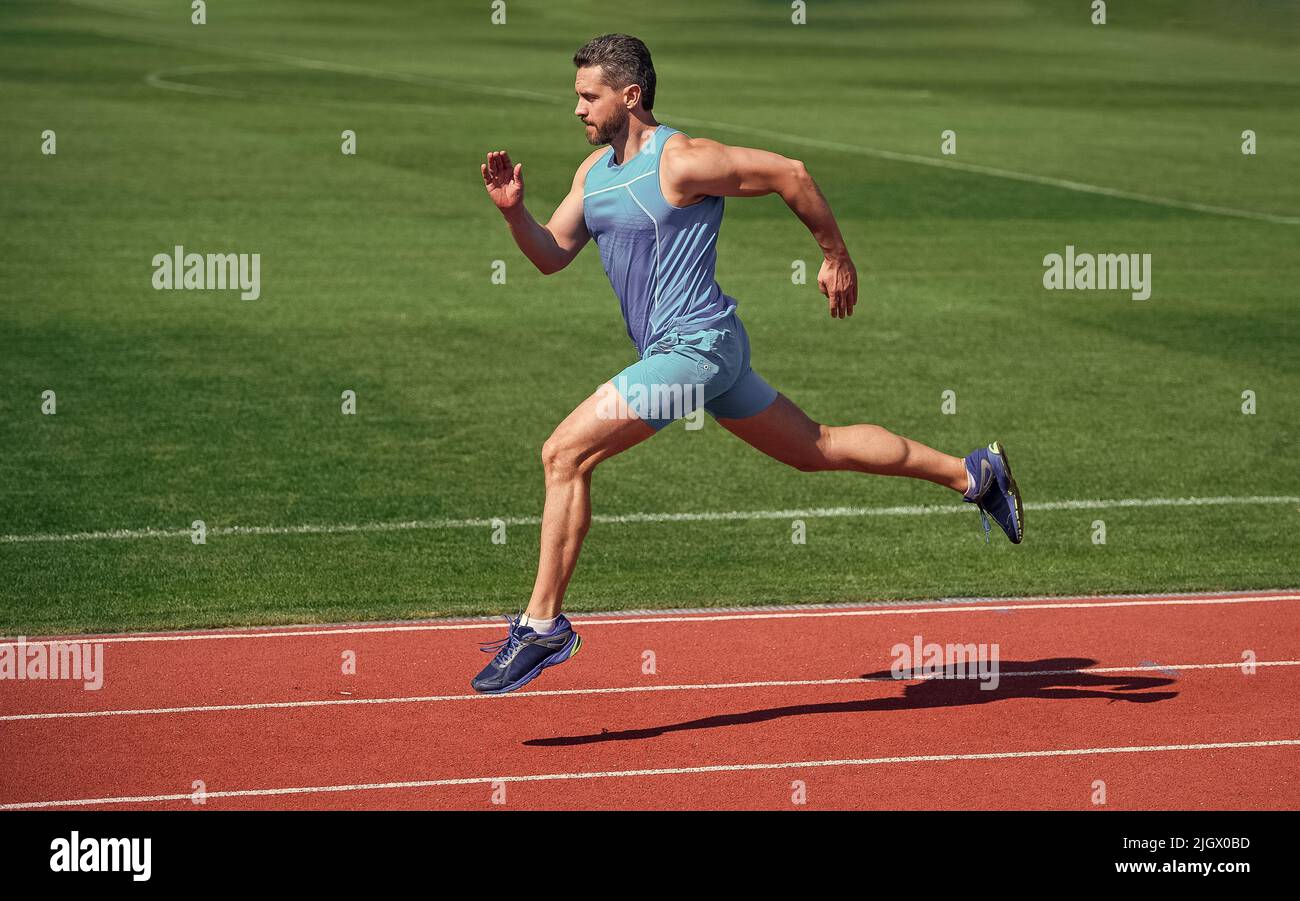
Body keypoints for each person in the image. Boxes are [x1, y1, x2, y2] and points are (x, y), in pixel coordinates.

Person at [473, 34, 1023, 694]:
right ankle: (974, 473)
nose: (578, 110)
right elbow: (551, 253)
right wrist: (513, 215)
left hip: (694, 350)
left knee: (564, 453)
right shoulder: (593, 175)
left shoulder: (681, 161)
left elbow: (790, 172)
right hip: (700, 354)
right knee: (816, 447)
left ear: (631, 96)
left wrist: (835, 254)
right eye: (577, 98)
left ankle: (543, 624)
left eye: (588, 97)